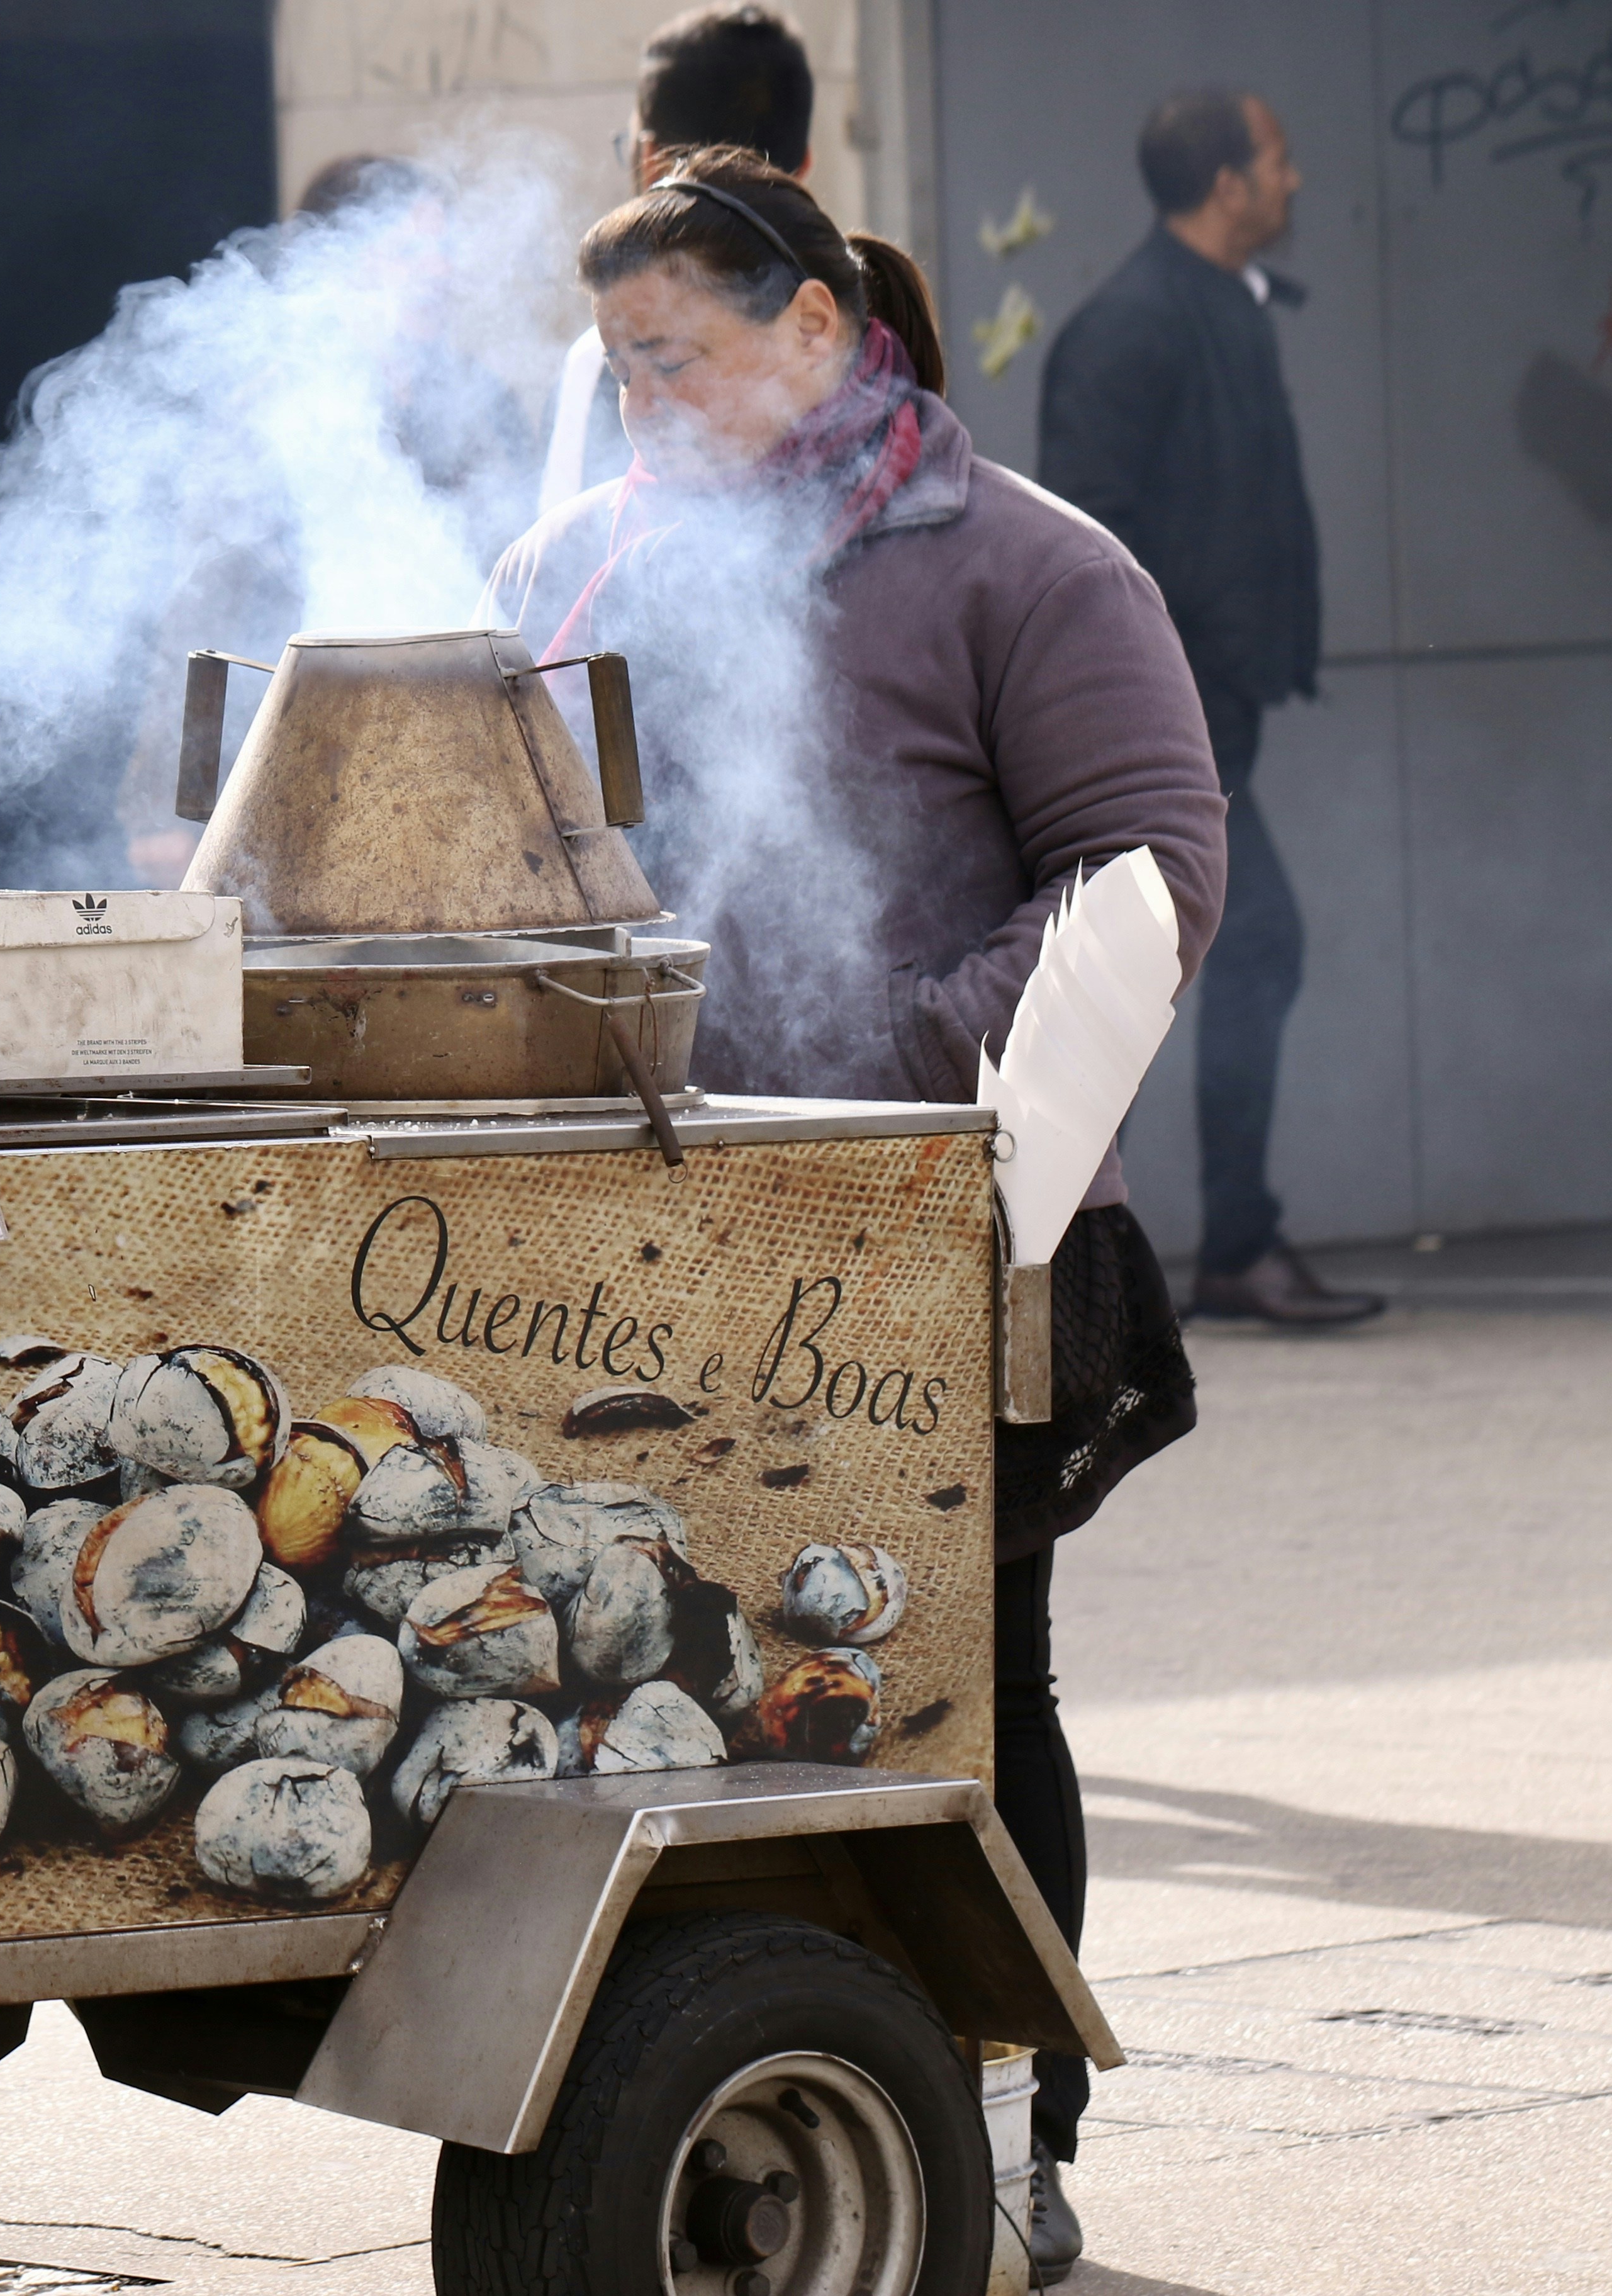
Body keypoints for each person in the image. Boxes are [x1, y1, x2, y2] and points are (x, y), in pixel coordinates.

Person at [482, 149, 1233, 2289]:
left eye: (679, 359)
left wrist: (908, 1055)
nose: (642, 408)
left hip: (948, 1222)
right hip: (643, 1234)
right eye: (615, 370)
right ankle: (788, 2065)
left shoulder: (1023, 564)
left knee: (972, 1690)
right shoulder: (570, 562)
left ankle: (1013, 2120)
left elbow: (1150, 869)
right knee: (693, 1677)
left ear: (820, 327)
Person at [1041, 91, 1375, 1325]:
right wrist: (1157, 697)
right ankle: (1098, 1249)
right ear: (1229, 184)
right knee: (1185, 964)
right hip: (1157, 729)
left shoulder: (1228, 308)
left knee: (1168, 969)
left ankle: (1107, 1246)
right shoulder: (1129, 327)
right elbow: (1086, 549)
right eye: (1280, 161)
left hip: (1215, 712)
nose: (1294, 181)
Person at [539, 4, 817, 517]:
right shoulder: (869, 324)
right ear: (804, 165)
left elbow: (561, 563)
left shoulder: (598, 360)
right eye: (627, 376)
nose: (643, 398)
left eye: (671, 363)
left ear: (651, 161)